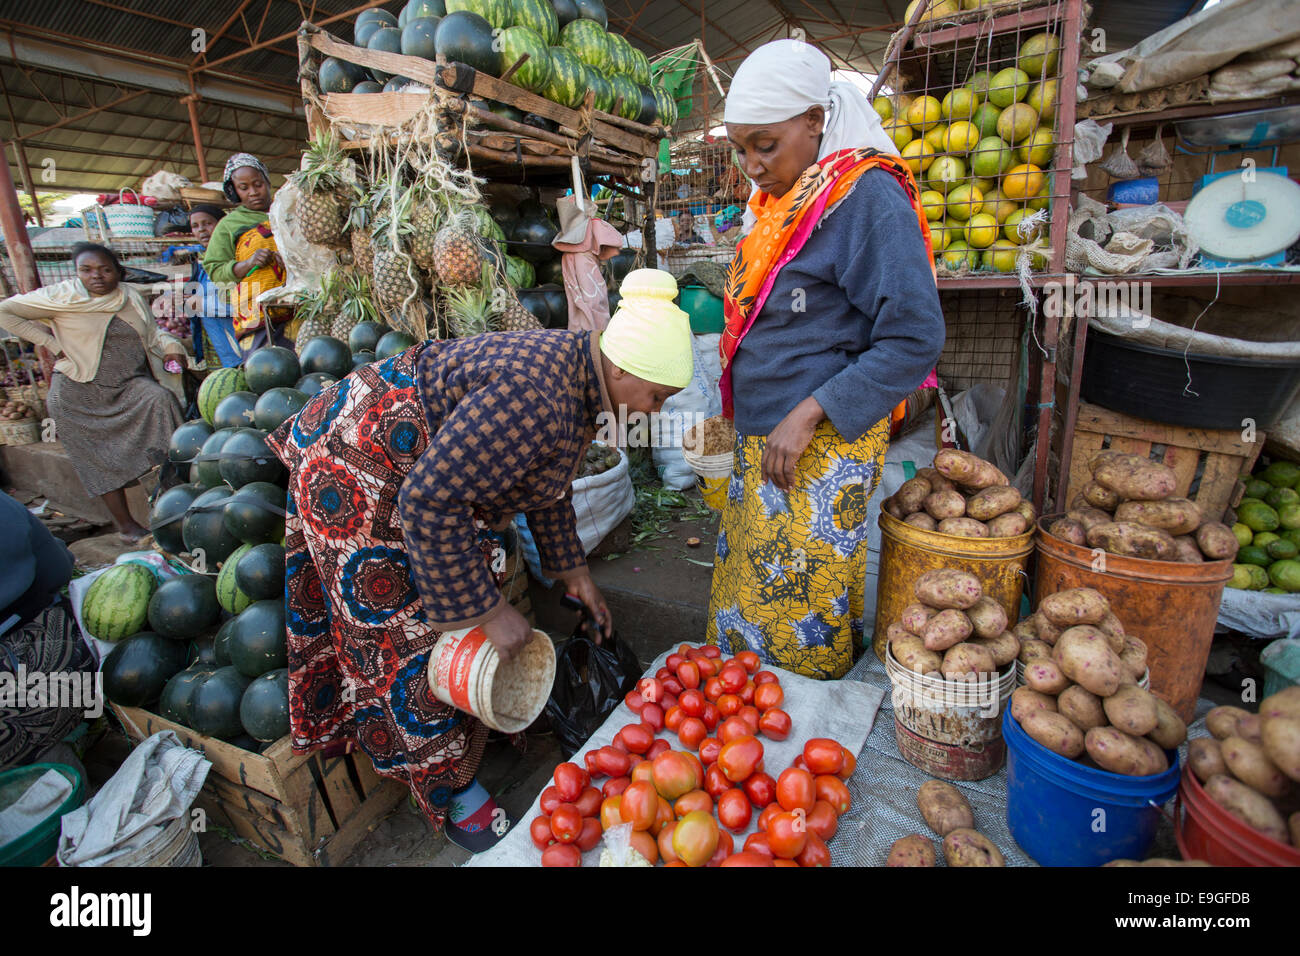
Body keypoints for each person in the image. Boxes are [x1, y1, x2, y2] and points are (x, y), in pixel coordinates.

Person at [265, 269, 694, 851]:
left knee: (467, 603)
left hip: (414, 468)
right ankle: (446, 790)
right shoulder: (538, 396)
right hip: (358, 469)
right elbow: (429, 499)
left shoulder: (580, 376)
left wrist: (575, 572)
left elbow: (547, 480)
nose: (651, 409)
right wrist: (487, 612)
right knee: (404, 635)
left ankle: (470, 735)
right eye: (656, 395)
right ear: (620, 368)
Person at [705, 39, 945, 680]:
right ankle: (745, 722)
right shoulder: (790, 199)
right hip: (769, 438)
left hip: (819, 442)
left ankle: (801, 735)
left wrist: (810, 411)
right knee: (751, 595)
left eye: (765, 144)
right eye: (742, 148)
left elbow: (914, 337)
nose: (752, 165)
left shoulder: (865, 198)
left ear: (815, 120)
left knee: (799, 610)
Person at [0, 243, 186, 542]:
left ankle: (174, 508)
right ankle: (126, 527)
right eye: (86, 270)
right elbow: (5, 311)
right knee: (97, 462)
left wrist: (172, 349)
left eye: (105, 269)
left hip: (128, 384)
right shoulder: (61, 297)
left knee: (161, 403)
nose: (96, 276)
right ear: (77, 273)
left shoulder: (131, 297)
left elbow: (153, 334)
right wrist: (50, 344)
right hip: (77, 393)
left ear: (118, 271)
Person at [201, 153, 284, 354]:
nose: (253, 192)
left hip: (299, 307)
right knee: (268, 371)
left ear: (267, 182)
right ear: (234, 191)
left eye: (258, 184)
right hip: (256, 315)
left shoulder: (285, 211)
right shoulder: (229, 225)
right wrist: (248, 263)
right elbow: (215, 269)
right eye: (244, 188)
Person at [187, 204, 242, 367]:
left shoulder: (235, 257)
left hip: (242, 349)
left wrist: (199, 304)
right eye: (195, 226)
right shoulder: (202, 261)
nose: (201, 230)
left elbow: (246, 303)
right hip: (222, 350)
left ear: (223, 224)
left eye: (207, 223)